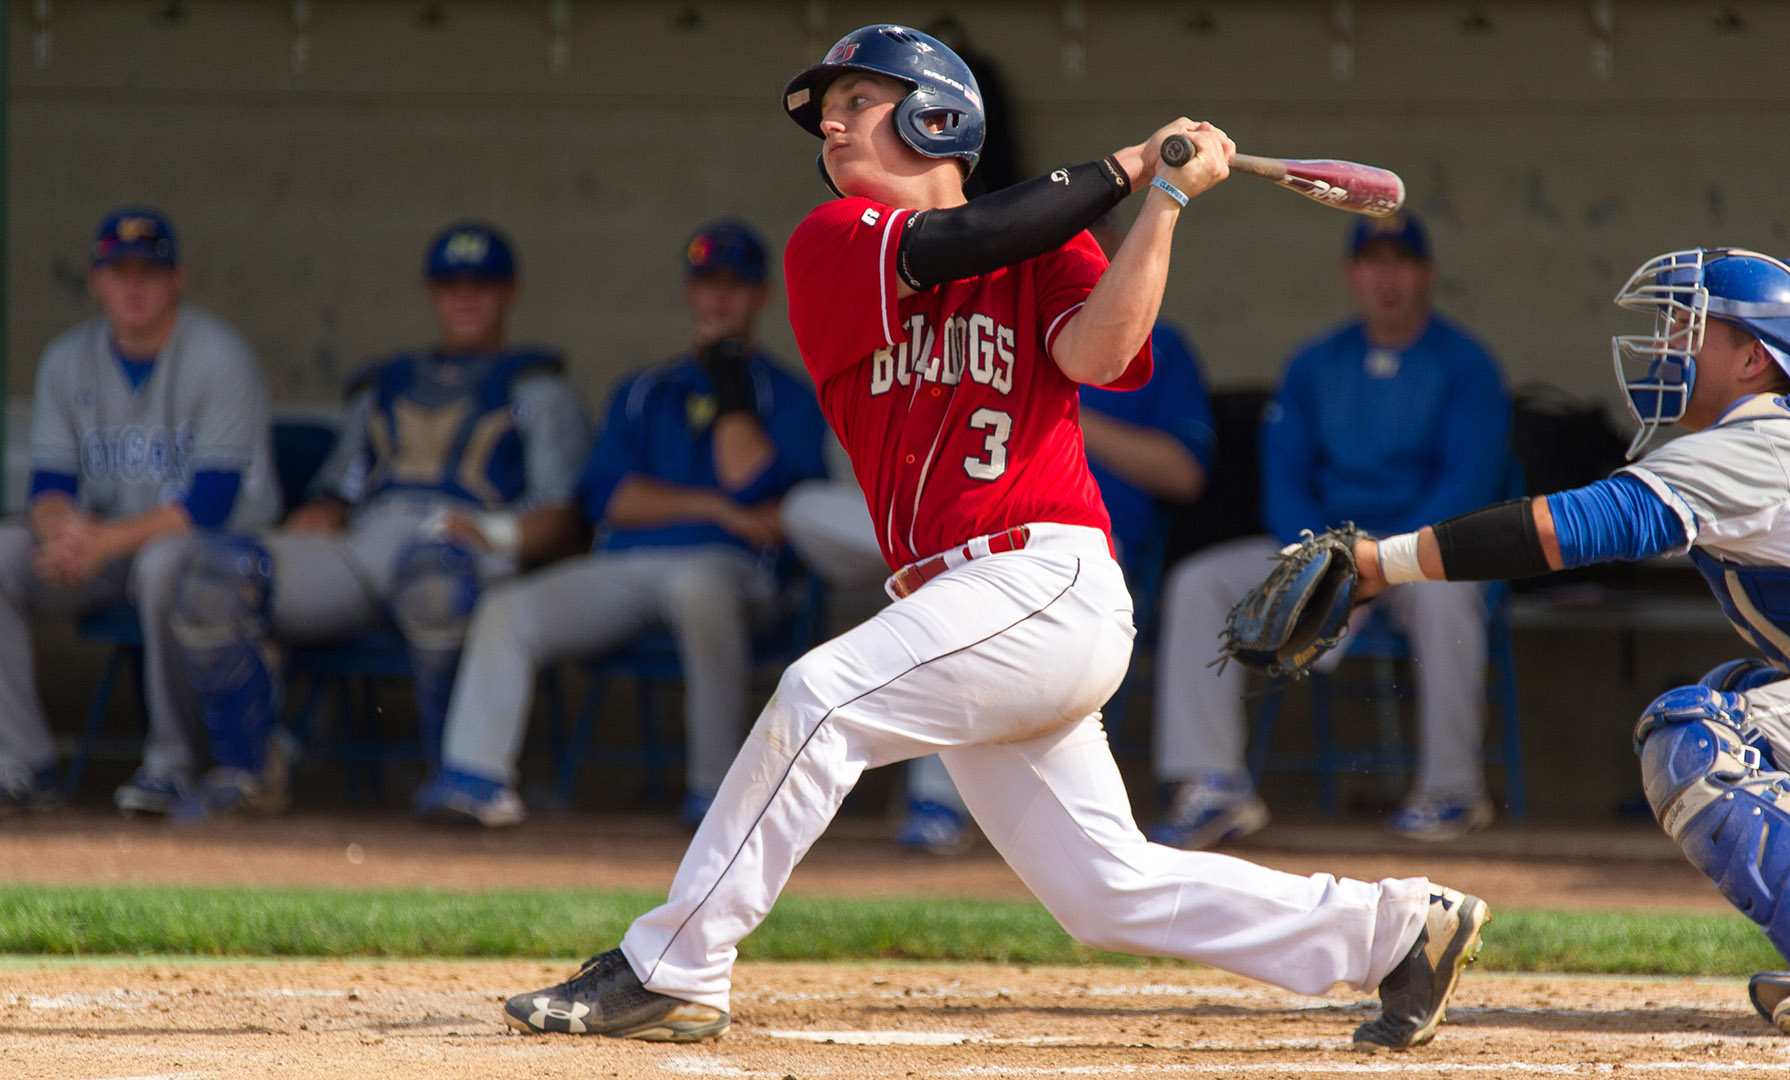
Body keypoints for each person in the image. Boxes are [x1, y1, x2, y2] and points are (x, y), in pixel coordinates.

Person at [502, 24, 1486, 1053]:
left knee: (818, 696)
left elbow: (1103, 354)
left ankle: (675, 966)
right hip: (956, 607)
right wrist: (1130, 165)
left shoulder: (1057, 248)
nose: (830, 123)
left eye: (856, 101)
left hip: (1041, 575)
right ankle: (1396, 932)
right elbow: (953, 245)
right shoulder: (834, 241)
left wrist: (1166, 202)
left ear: (939, 114)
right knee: (1108, 893)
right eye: (827, 111)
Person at [1341, 246, 1790, 1038]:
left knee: (1701, 734)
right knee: (1748, 695)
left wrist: (1379, 562)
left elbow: (1568, 528)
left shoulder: (1758, 440)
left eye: (1690, 329)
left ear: (1754, 358)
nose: (1666, 346)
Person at [783, 210, 1216, 856]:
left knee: (842, 676)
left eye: (1100, 239)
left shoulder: (1139, 334)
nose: (1084, 251)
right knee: (1111, 885)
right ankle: (1383, 926)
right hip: (950, 549)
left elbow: (1184, 474)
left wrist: (1054, 397)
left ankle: (674, 950)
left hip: (1058, 559)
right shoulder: (975, 299)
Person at [167, 222, 589, 821]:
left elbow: (568, 515)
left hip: (465, 548)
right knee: (215, 571)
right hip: (368, 541)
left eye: (482, 284)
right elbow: (346, 481)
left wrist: (493, 533)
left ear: (510, 292)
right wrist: (325, 509)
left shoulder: (539, 389)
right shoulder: (385, 384)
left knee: (434, 583)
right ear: (430, 292)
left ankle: (455, 777)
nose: (465, 297)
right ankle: (253, 769)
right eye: (450, 284)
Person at [414, 220, 826, 829]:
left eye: (735, 285)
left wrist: (728, 385)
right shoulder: (643, 390)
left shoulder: (790, 392)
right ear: (690, 291)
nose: (719, 298)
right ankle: (476, 779)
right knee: (508, 609)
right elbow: (607, 498)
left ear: (762, 295)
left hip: (733, 572)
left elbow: (761, 492)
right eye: (708, 282)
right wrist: (714, 509)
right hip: (630, 563)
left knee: (698, 591)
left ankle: (716, 792)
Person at [1147, 211, 1512, 847]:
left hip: (1420, 551)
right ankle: (1214, 785)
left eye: (1401, 261)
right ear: (1352, 274)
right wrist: (1325, 561)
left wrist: (1380, 560)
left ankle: (1451, 790)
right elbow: (1284, 476)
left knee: (1448, 596)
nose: (1387, 276)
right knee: (1200, 581)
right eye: (1374, 261)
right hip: (1327, 548)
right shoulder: (1316, 363)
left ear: (1425, 273)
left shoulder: (1466, 364)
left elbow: (1469, 486)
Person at [0, 207, 279, 815]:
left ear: (176, 279)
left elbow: (210, 502)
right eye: (118, 271)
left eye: (148, 272)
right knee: (4, 555)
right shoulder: (66, 360)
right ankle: (20, 765)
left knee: (163, 564)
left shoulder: (218, 356)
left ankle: (171, 765)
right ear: (95, 281)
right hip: (106, 545)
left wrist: (101, 542)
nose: (133, 285)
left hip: (215, 552)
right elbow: (48, 483)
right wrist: (62, 533)